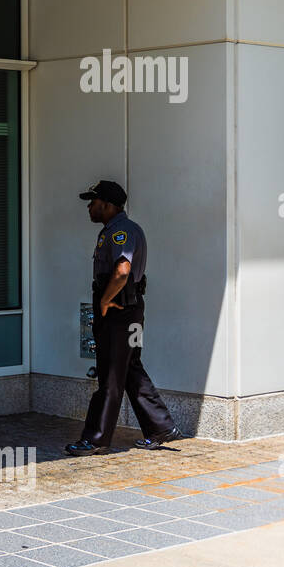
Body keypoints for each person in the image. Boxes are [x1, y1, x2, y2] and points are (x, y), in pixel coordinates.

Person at [66, 180, 183, 455]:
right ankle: (160, 426)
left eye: (93, 202)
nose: (89, 207)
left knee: (110, 375)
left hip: (118, 311)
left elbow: (122, 270)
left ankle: (95, 439)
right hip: (129, 310)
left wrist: (105, 301)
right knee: (129, 368)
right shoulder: (120, 229)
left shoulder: (121, 231)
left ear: (107, 204)